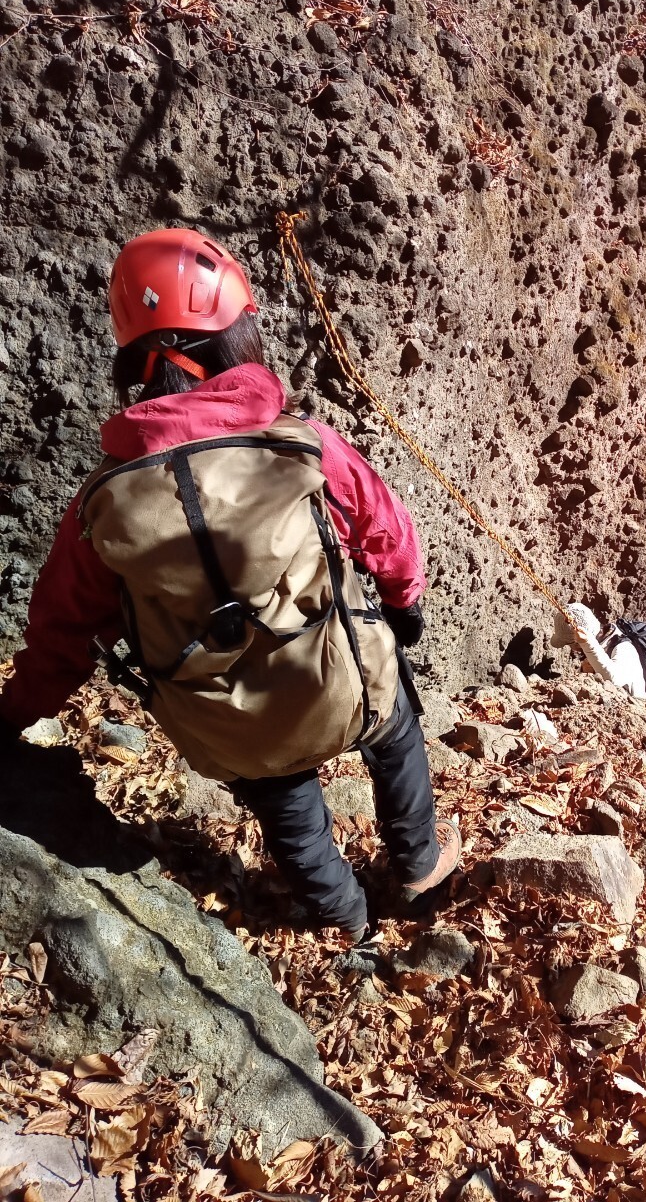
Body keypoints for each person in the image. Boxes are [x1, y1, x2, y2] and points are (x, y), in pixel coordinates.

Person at [0, 227, 460, 942]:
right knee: (394, 725)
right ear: (232, 338)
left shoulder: (101, 503)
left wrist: (13, 714)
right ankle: (420, 870)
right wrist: (404, 607)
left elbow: (60, 633)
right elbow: (388, 533)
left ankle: (345, 922)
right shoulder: (299, 442)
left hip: (229, 727)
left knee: (283, 798)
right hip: (339, 685)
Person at [553, 603, 646, 699]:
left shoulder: (624, 648)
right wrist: (583, 671)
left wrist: (587, 643)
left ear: (577, 643)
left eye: (568, 644)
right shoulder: (598, 649)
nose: (571, 648)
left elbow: (614, 680)